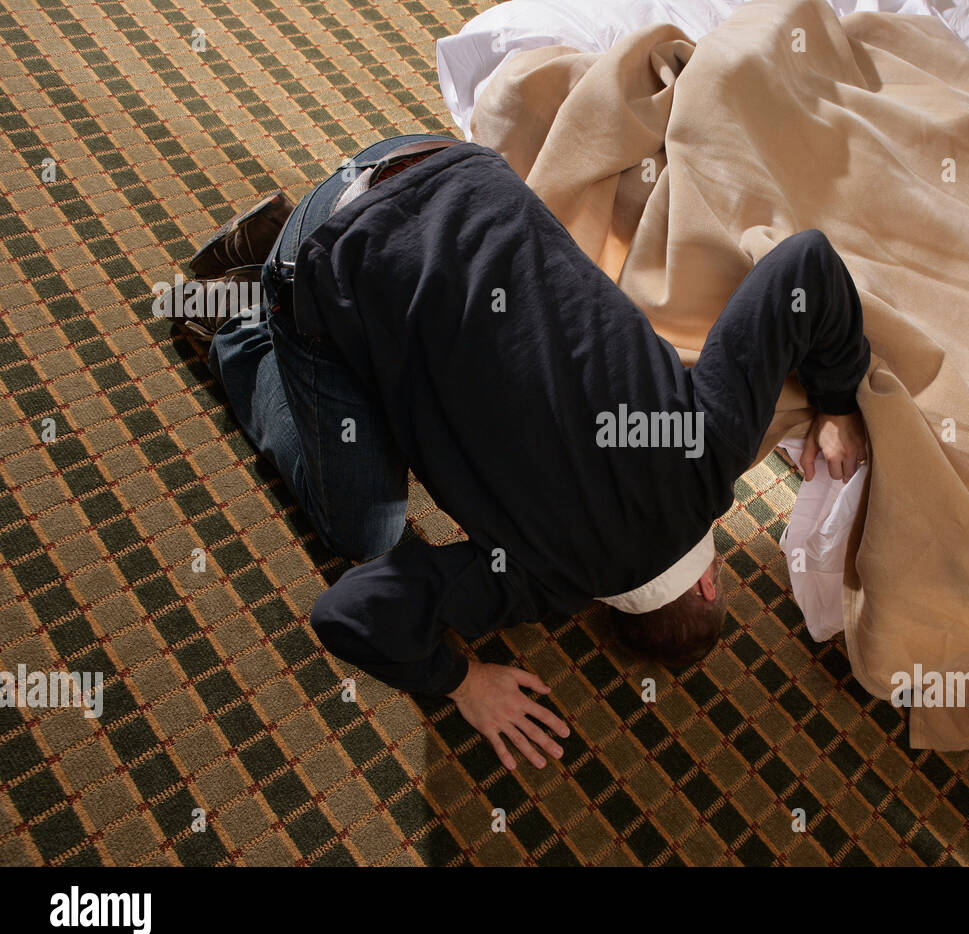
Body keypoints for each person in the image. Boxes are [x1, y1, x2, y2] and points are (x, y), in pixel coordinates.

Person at [185, 133, 871, 771]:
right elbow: (347, 613)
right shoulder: (537, 583)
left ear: (707, 582)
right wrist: (460, 681)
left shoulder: (712, 445)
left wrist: (838, 401)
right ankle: (241, 322)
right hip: (333, 251)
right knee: (362, 532)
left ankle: (283, 265)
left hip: (445, 161)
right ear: (612, 610)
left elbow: (804, 260)